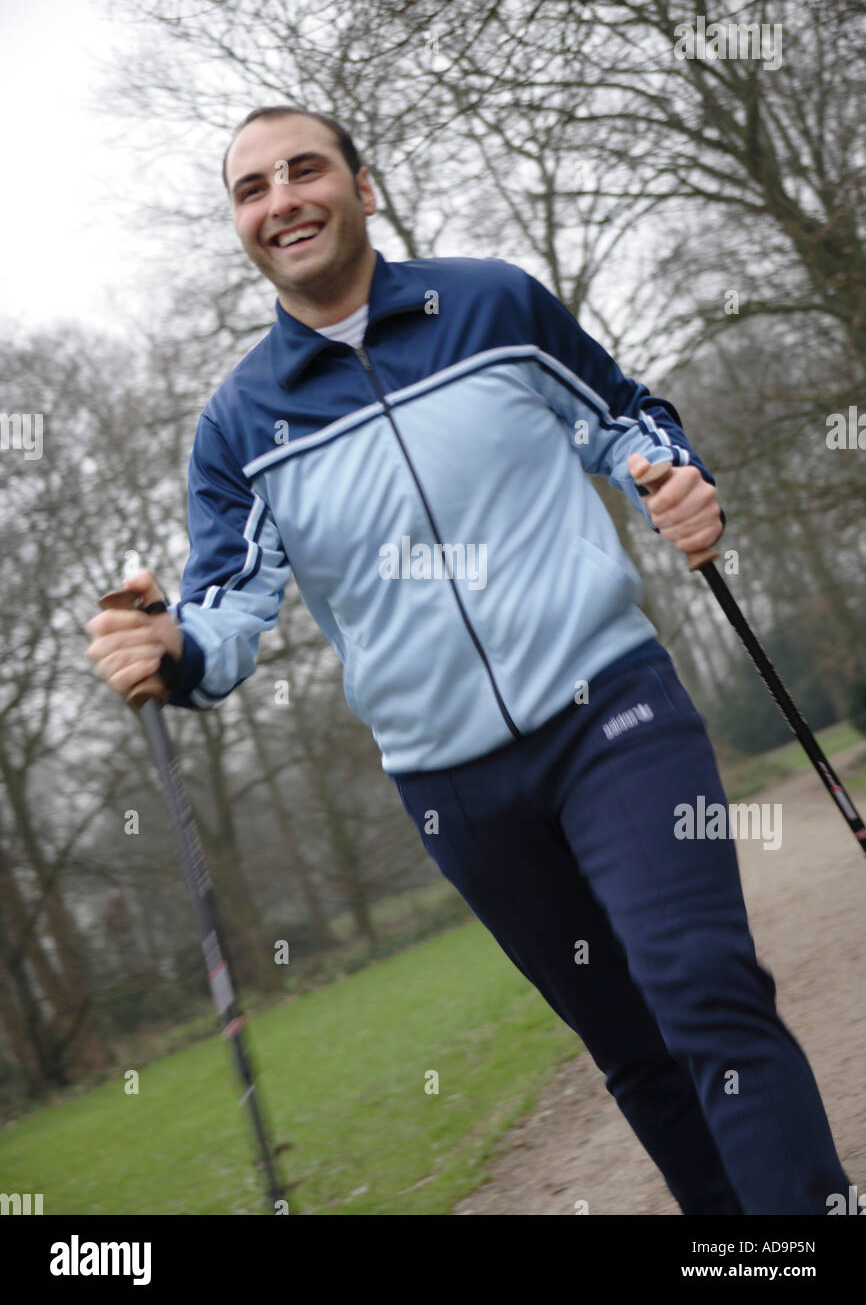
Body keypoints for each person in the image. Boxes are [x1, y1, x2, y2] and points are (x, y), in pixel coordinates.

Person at [86, 105, 852, 1215]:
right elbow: (227, 614)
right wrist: (170, 648)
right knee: (631, 1046)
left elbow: (625, 418)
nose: (281, 198)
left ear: (363, 184)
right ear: (241, 224)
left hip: (609, 712)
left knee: (700, 989)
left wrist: (672, 476)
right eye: (251, 188)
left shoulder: (492, 302)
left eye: (304, 169)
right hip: (452, 784)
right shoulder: (241, 421)